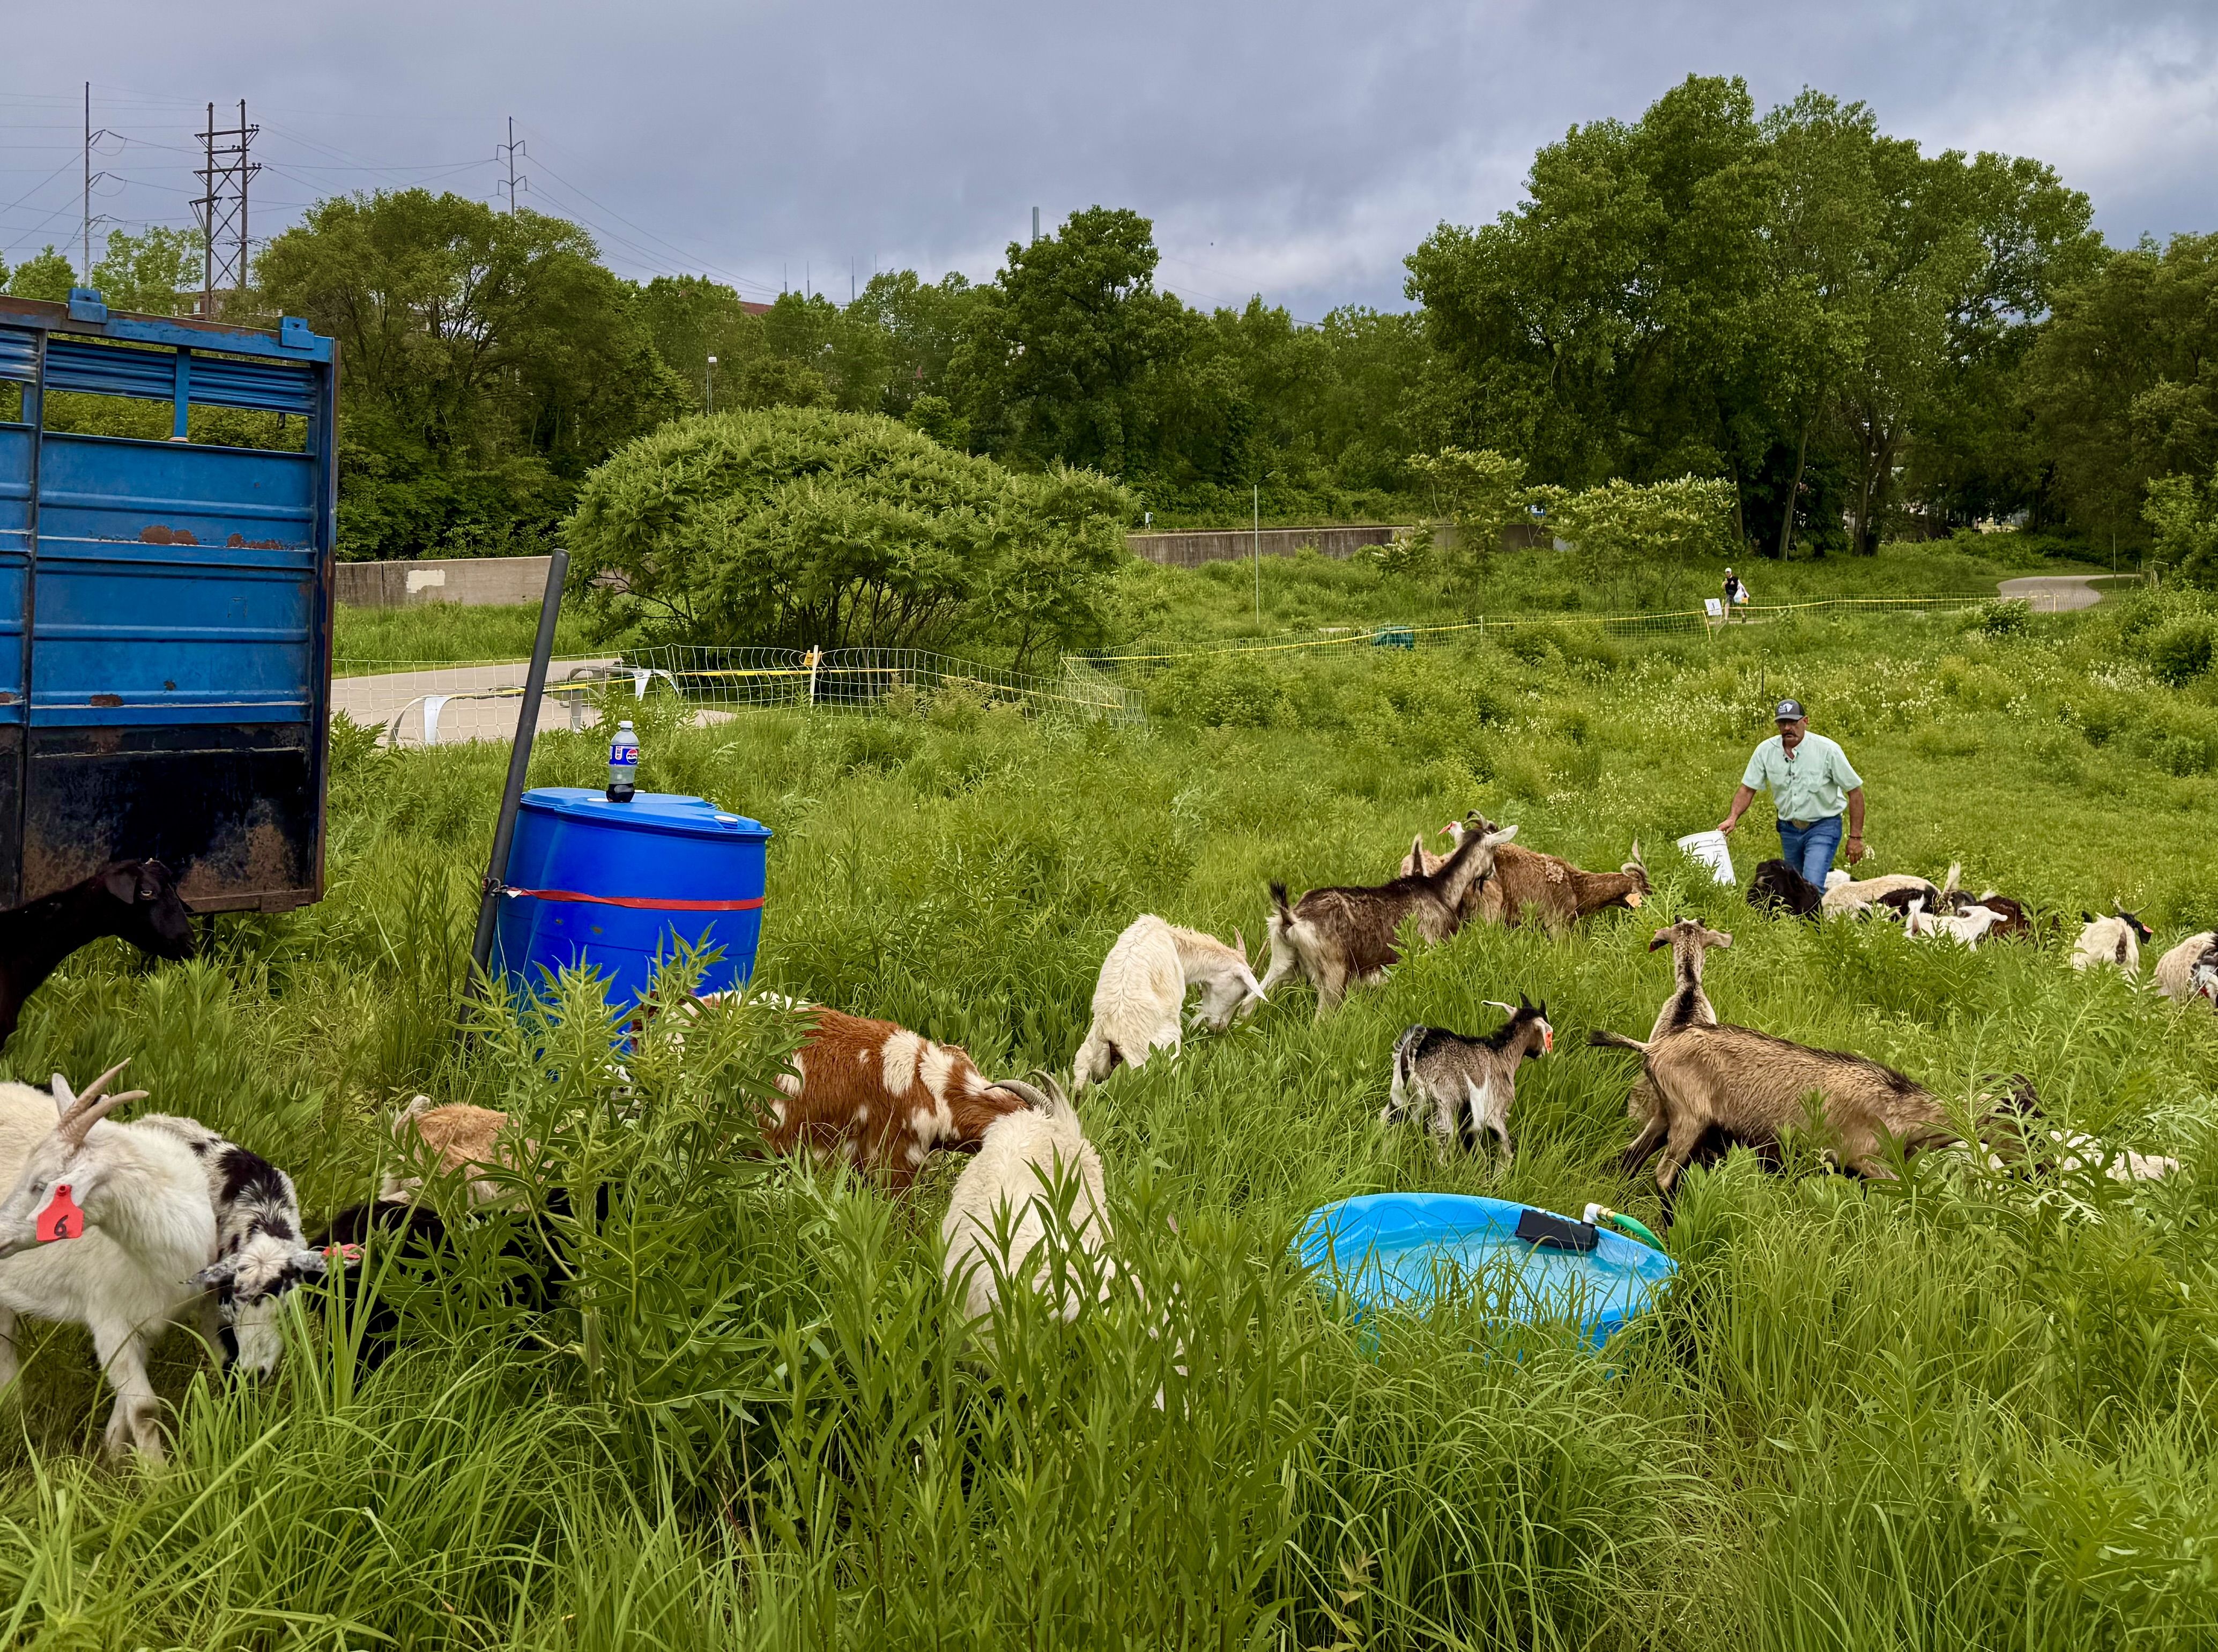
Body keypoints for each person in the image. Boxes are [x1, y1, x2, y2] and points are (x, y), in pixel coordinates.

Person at [1717, 698, 1866, 888]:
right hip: (1789, 830)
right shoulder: (1766, 751)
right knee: (1795, 887)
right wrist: (1732, 817)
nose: (1788, 728)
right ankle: (1812, 913)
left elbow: (1855, 791)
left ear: (1805, 721)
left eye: (1793, 722)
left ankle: (1814, 915)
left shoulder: (1828, 750)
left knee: (1811, 885)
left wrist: (1855, 837)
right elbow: (1747, 788)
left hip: (1823, 827)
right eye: (1782, 723)